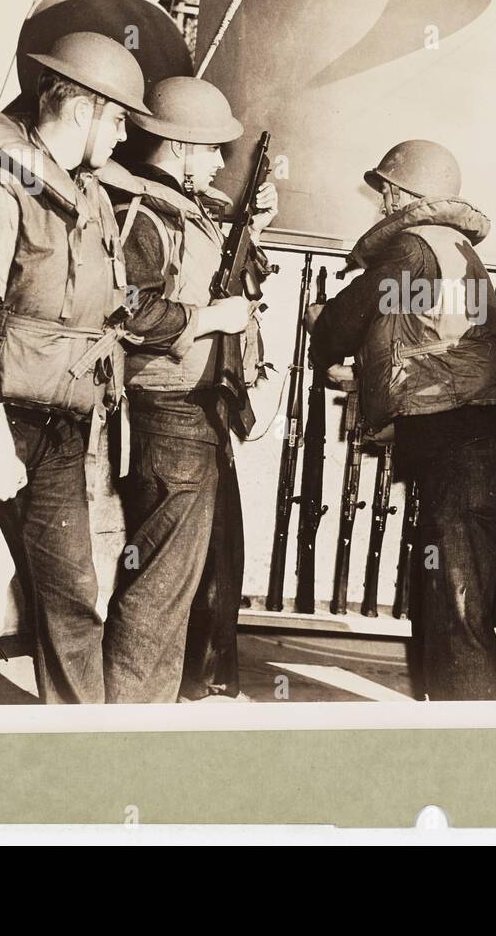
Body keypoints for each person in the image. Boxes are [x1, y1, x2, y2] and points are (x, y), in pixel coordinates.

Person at [0, 31, 149, 704]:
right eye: (120, 117)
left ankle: (84, 751)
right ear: (83, 107)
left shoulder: (90, 197)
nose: (124, 136)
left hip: (60, 431)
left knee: (73, 601)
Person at [307, 140, 496, 700]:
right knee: (454, 586)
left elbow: (353, 313)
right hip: (474, 425)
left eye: (385, 190)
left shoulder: (410, 245)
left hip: (460, 432)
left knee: (457, 599)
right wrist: (369, 377)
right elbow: (444, 341)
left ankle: (473, 742)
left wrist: (322, 326)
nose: (380, 202)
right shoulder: (454, 249)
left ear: (404, 195)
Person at [97, 76, 277, 703]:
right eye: (212, 149)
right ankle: (130, 725)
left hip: (194, 413)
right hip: (170, 412)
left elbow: (206, 277)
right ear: (179, 147)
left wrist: (252, 230)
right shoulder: (142, 211)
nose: (223, 162)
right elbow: (129, 310)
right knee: (160, 588)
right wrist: (207, 320)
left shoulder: (176, 208)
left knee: (177, 582)